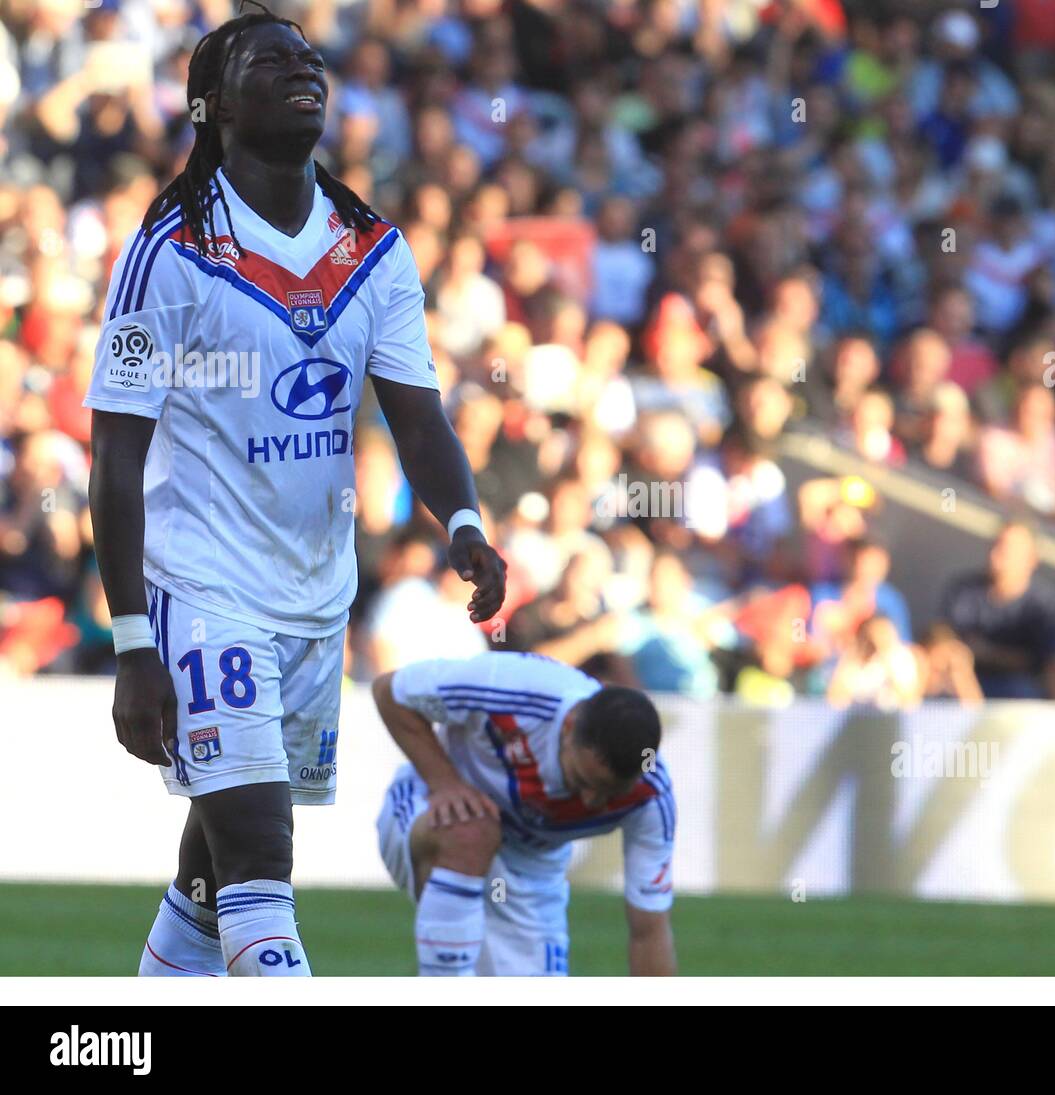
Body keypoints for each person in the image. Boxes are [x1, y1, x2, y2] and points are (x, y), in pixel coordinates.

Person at [83, 8, 506, 978]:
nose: (304, 68)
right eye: (270, 60)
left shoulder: (374, 249)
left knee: (206, 879)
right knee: (262, 880)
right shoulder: (170, 249)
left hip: (317, 604)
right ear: (216, 105)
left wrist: (467, 523)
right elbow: (113, 453)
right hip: (204, 598)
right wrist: (136, 642)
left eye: (311, 57)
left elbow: (417, 415)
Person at [373, 651, 676, 976]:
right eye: (583, 781)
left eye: (610, 792)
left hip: (530, 873)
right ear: (568, 728)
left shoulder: (650, 796)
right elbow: (389, 691)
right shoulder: (512, 688)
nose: (590, 801)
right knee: (472, 831)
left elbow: (649, 928)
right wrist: (445, 782)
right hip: (430, 809)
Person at [940, 522, 1055, 698]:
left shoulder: (1042, 604)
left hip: (1014, 693)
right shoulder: (964, 589)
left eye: (1006, 550)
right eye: (995, 545)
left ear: (1031, 560)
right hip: (960, 679)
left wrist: (987, 653)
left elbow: (1042, 663)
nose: (995, 555)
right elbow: (947, 641)